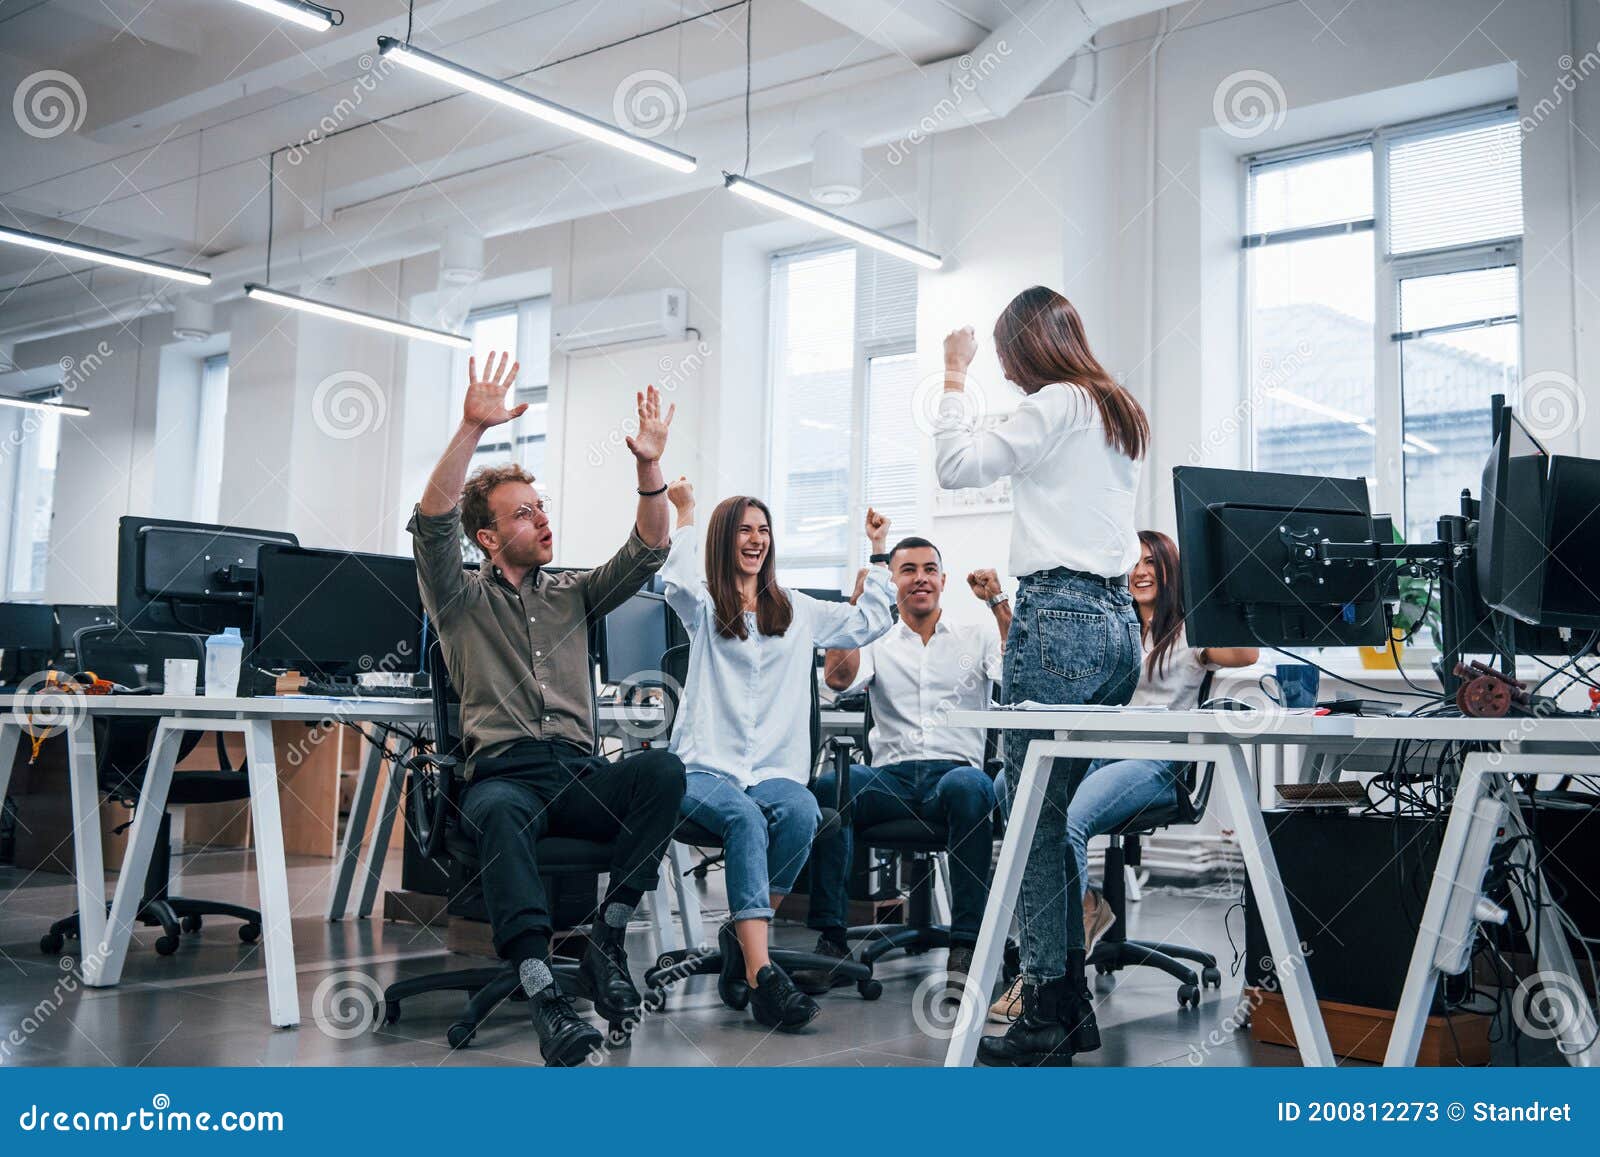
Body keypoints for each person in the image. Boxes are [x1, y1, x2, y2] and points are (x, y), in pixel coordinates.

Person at [410, 352, 687, 1067]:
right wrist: (472, 426)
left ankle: (606, 939)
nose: (541, 519)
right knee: (498, 809)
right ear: (489, 537)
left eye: (542, 507)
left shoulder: (572, 591)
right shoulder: (459, 598)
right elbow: (432, 520)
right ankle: (544, 992)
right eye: (523, 513)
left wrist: (649, 470)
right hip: (505, 772)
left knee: (661, 773)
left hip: (579, 773)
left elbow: (650, 547)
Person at [934, 285, 1150, 1067]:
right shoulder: (1116, 406)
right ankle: (1064, 1005)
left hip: (1058, 618)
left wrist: (954, 377)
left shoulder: (1059, 401)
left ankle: (1047, 1002)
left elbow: (956, 465)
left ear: (1026, 347)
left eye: (1000, 354)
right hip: (1117, 626)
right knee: (1050, 816)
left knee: (1025, 816)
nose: (999, 366)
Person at [987, 530, 1258, 1021]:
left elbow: (1247, 656)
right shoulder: (1112, 630)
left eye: (1153, 561)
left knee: (1064, 822)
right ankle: (1086, 903)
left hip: (1154, 762)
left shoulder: (1189, 633)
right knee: (1011, 786)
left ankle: (1050, 972)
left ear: (1172, 571)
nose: (1141, 570)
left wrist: (1214, 587)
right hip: (1099, 753)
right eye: (1133, 561)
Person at [661, 478, 894, 1030]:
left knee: (801, 813)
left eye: (764, 531)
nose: (756, 539)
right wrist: (687, 511)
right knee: (743, 819)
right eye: (745, 530)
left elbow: (870, 621)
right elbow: (673, 579)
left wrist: (878, 553)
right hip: (705, 769)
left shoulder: (798, 610)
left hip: (772, 770)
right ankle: (763, 976)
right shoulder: (704, 607)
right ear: (724, 539)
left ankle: (740, 940)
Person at [794, 543, 1008, 997]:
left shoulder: (977, 633)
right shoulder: (877, 638)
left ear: (944, 581)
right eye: (907, 570)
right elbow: (837, 679)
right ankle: (832, 941)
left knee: (972, 788)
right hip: (891, 777)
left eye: (930, 569)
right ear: (892, 583)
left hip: (954, 774)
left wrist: (997, 602)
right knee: (831, 789)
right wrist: (854, 610)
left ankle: (966, 944)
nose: (920, 578)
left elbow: (1019, 673)